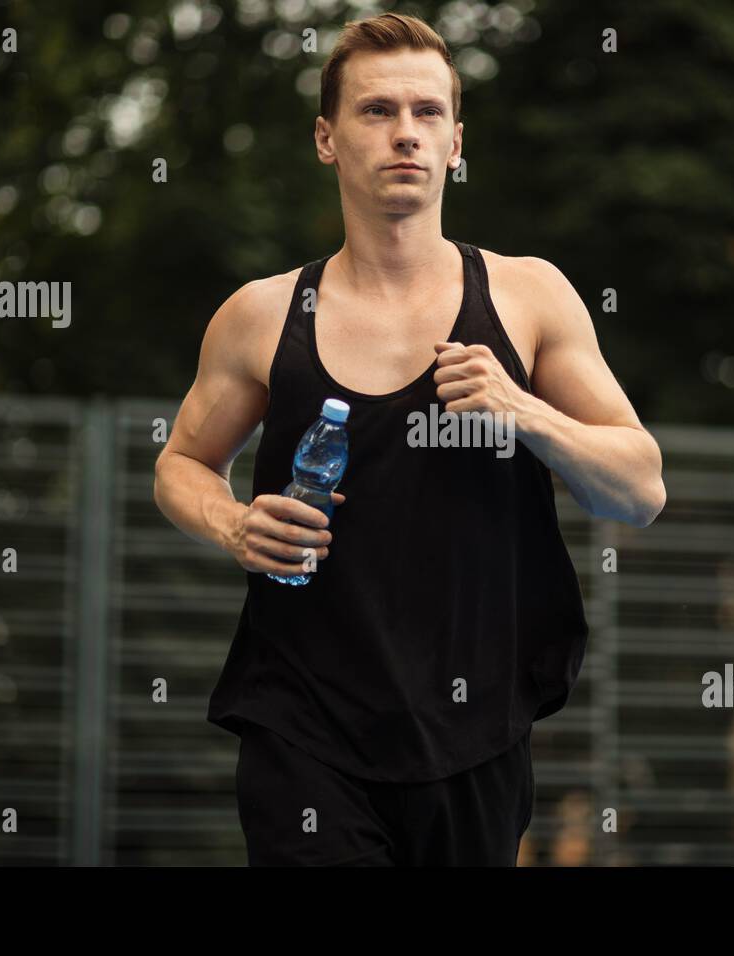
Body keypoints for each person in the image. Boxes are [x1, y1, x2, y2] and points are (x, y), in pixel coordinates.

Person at [152, 12, 665, 866]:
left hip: (472, 732)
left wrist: (522, 410)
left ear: (457, 141)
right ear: (327, 138)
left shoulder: (528, 297)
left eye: (428, 114)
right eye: (376, 111)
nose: (406, 135)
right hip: (302, 723)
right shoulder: (263, 314)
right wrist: (234, 524)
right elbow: (181, 463)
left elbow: (641, 488)